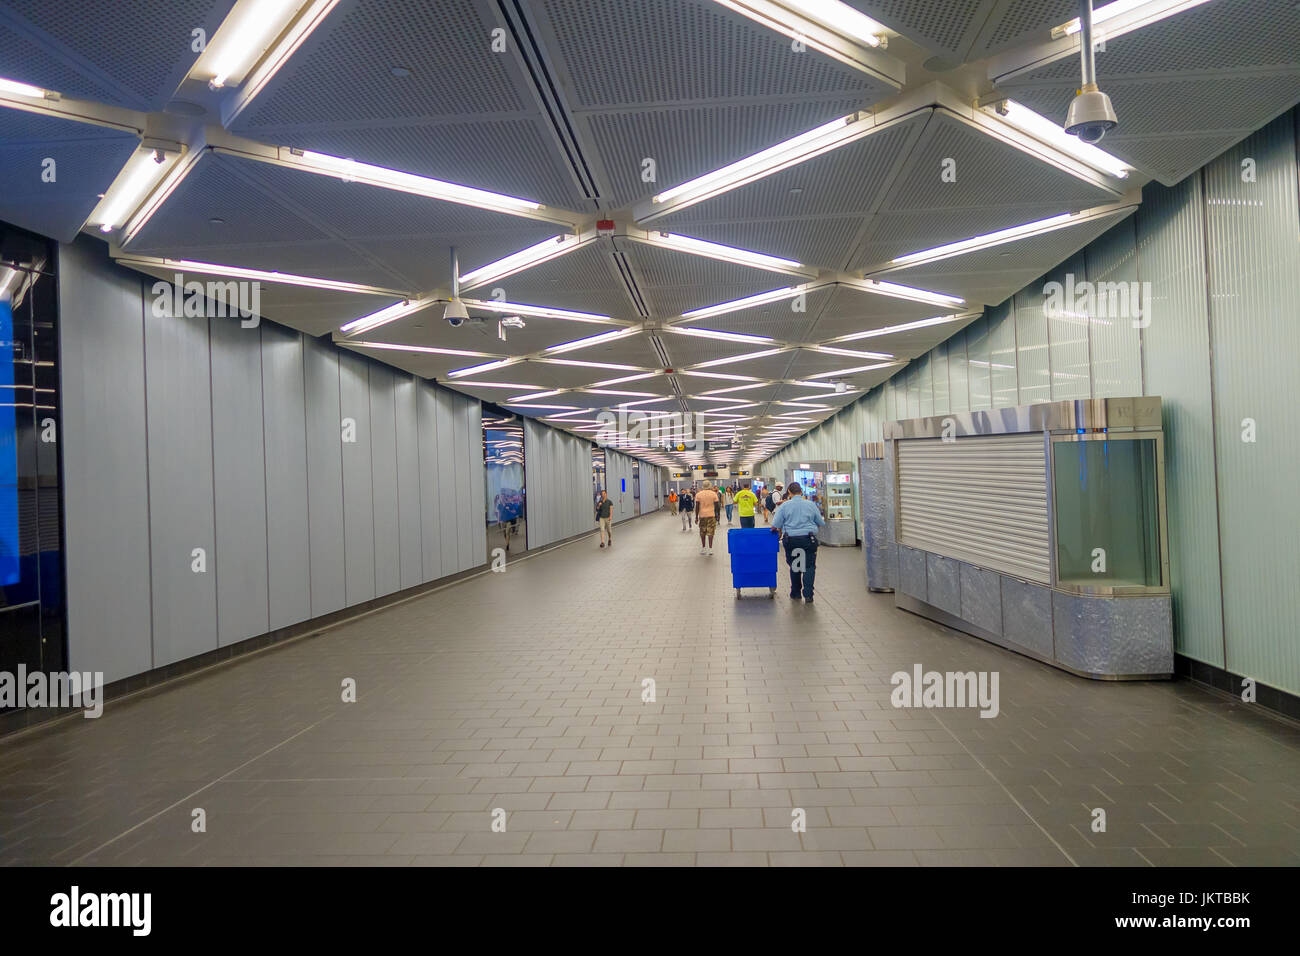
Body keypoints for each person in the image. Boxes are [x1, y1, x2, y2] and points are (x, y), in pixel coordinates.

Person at [770, 481, 824, 603]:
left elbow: (775, 525)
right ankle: (808, 594)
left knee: (795, 566)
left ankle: (796, 593)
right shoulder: (810, 504)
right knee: (809, 566)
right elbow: (821, 522)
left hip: (792, 540)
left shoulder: (784, 506)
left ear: (789, 492)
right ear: (801, 491)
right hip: (808, 540)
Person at [694, 480, 721, 555]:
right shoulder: (714, 494)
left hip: (702, 515)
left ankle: (703, 548)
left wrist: (696, 517)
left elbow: (697, 506)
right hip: (711, 515)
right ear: (710, 485)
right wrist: (718, 515)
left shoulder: (698, 494)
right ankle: (710, 549)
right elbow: (717, 506)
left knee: (702, 532)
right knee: (711, 532)